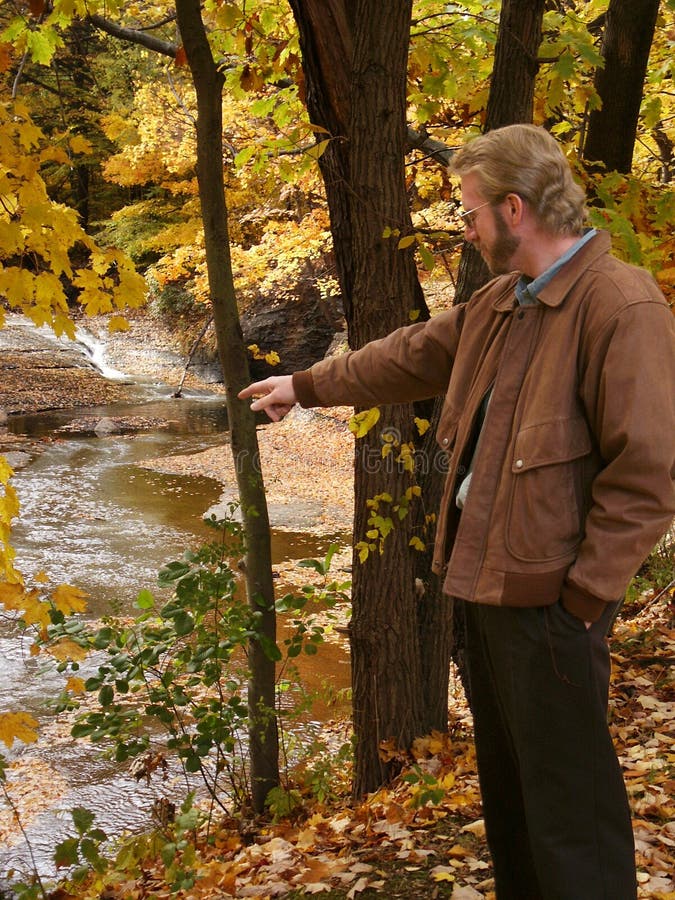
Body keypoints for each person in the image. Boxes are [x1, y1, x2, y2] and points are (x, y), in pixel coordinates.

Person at [238, 124, 675, 900]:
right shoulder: (503, 301)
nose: (462, 227)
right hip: (484, 585)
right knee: (512, 800)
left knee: (570, 811)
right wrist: (303, 386)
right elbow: (408, 354)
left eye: (467, 211)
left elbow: (647, 472)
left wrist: (583, 597)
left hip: (552, 605)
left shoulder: (620, 304)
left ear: (513, 209)